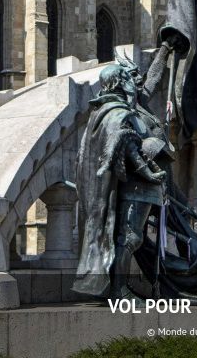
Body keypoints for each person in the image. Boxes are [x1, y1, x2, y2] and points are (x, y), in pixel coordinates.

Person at [73, 55, 173, 299]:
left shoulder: (109, 110)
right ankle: (119, 290)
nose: (133, 82)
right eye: (128, 77)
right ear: (119, 81)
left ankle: (119, 288)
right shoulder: (116, 111)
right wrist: (149, 171)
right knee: (130, 237)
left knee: (131, 237)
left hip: (137, 185)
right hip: (137, 186)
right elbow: (125, 143)